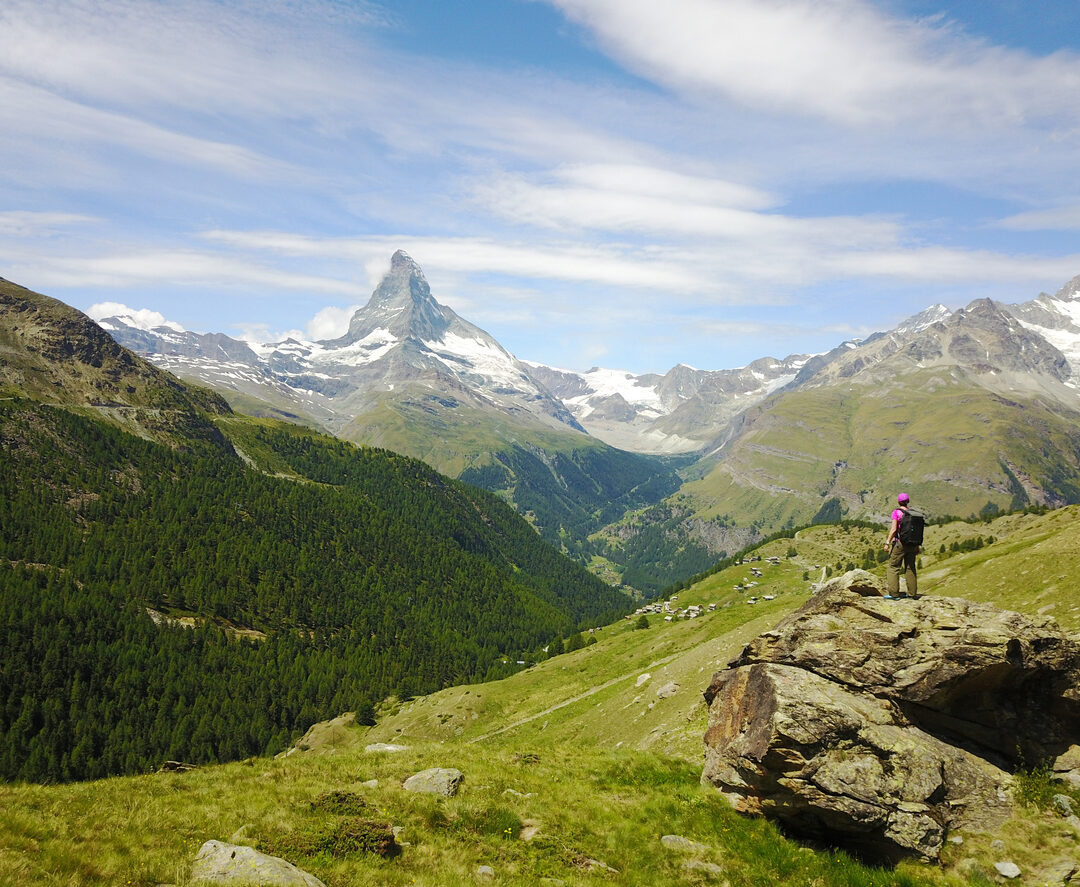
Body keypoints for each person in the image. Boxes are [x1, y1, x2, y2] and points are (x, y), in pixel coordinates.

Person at [884, 492, 919, 598]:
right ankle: (912, 594)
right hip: (912, 544)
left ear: (898, 502)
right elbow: (916, 531)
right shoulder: (913, 513)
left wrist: (887, 542)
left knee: (893, 567)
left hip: (900, 543)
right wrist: (917, 546)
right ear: (908, 501)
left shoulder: (896, 513)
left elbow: (894, 529)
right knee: (910, 568)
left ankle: (894, 594)